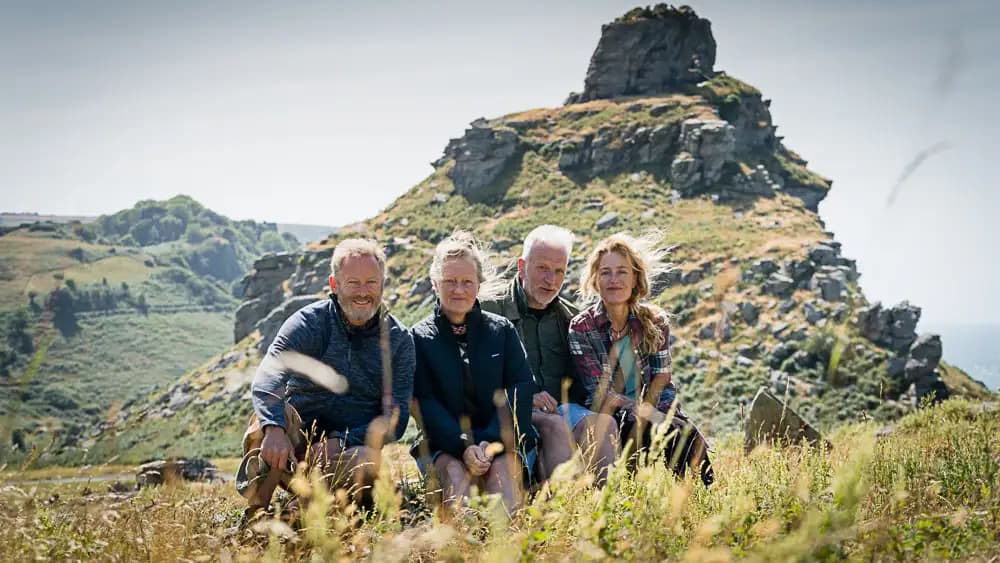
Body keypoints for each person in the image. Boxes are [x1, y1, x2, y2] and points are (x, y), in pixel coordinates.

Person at [240, 238, 416, 518]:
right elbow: (267, 376)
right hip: (292, 451)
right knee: (267, 421)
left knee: (369, 460)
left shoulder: (398, 340)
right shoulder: (309, 323)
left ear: (383, 284)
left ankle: (301, 514)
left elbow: (396, 416)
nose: (363, 292)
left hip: (347, 456)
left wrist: (340, 441)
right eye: (353, 283)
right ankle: (255, 515)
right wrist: (274, 429)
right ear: (334, 285)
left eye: (371, 282)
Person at [568, 232, 713, 486]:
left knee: (684, 435)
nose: (614, 280)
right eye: (605, 273)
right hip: (612, 418)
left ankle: (693, 502)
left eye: (622, 272)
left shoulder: (655, 322)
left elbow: (663, 382)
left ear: (635, 277)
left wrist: (667, 417)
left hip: (652, 410)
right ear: (595, 280)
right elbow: (598, 395)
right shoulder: (582, 328)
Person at [410, 231, 537, 515]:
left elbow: (520, 387)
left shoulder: (501, 330)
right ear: (434, 284)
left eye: (467, 282)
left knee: (502, 484)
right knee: (457, 480)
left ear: (479, 284)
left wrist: (489, 443)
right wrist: (464, 445)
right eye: (450, 282)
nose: (459, 290)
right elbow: (423, 403)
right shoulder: (418, 338)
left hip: (499, 442)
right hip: (443, 445)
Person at [482, 225, 617, 484]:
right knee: (554, 427)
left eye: (559, 271)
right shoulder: (489, 309)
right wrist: (524, 397)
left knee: (603, 426)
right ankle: (560, 515)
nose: (551, 280)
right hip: (506, 409)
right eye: (542, 268)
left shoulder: (571, 318)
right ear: (522, 266)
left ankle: (607, 514)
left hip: (559, 410)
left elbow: (582, 384)